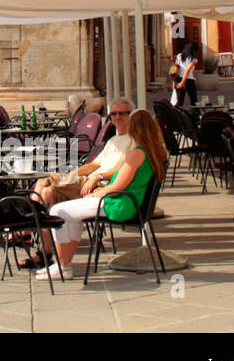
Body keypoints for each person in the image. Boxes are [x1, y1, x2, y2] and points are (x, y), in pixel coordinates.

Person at [37, 110, 168, 281]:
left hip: (118, 204)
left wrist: (94, 195)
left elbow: (117, 185)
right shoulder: (157, 153)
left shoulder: (137, 153)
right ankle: (63, 265)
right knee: (72, 216)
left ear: (134, 129)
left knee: (57, 211)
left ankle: (62, 266)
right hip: (129, 204)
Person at [19, 99, 134, 270]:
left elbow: (121, 169)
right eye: (114, 114)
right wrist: (74, 173)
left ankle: (28, 232)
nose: (117, 117)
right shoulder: (113, 141)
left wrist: (96, 177)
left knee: (46, 187)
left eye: (122, 113)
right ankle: (42, 248)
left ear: (130, 116)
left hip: (98, 184)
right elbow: (94, 164)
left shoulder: (132, 141)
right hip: (87, 179)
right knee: (46, 188)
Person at [174, 41, 199, 108]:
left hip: (179, 78)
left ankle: (178, 113)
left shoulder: (179, 56)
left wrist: (174, 82)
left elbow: (176, 68)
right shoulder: (193, 59)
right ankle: (195, 113)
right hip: (189, 79)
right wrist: (183, 82)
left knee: (179, 101)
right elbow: (187, 70)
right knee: (193, 100)